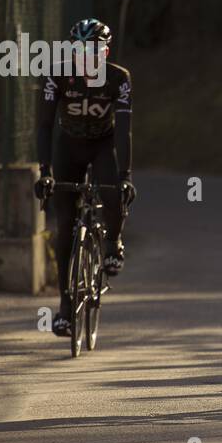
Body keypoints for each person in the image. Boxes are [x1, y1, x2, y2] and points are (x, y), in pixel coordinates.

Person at [33, 18, 136, 338]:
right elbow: (44, 126)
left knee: (112, 192)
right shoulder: (57, 74)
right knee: (64, 226)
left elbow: (123, 130)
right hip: (69, 147)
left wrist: (124, 177)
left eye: (94, 51)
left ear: (106, 53)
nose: (87, 57)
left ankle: (113, 243)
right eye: (79, 50)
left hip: (102, 145)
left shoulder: (119, 79)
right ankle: (65, 307)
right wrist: (45, 171)